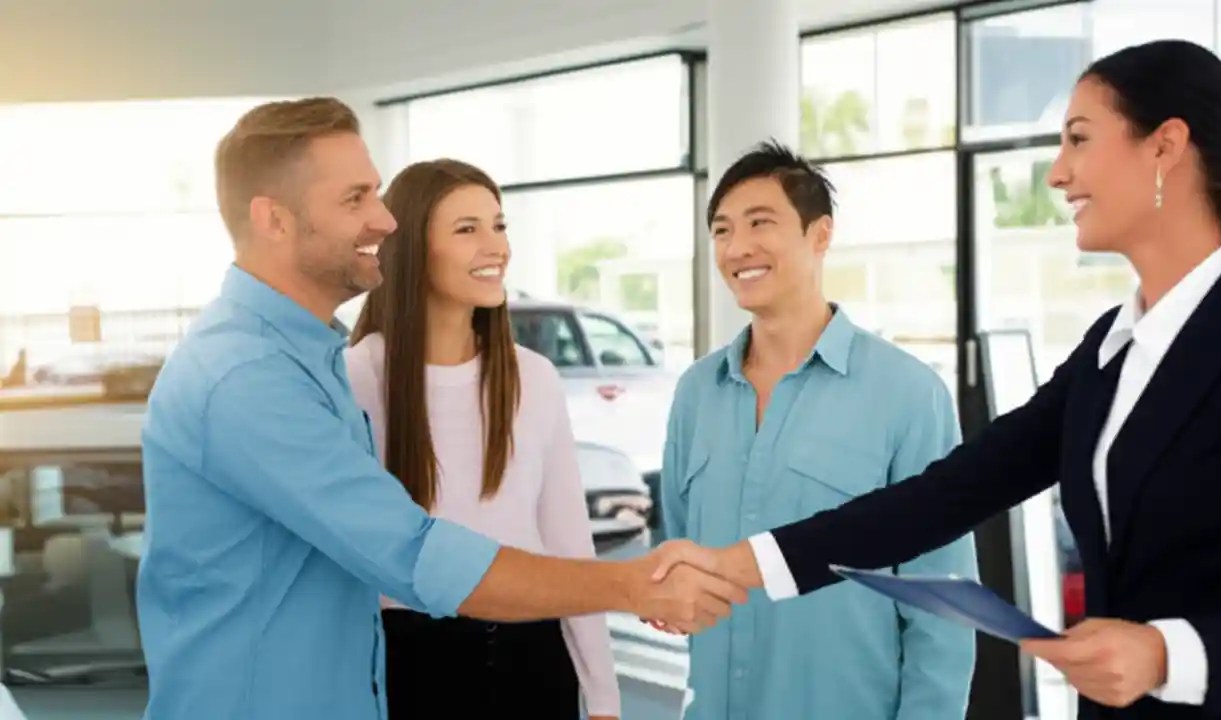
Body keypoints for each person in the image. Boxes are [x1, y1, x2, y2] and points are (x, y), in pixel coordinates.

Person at [652, 39, 1221, 720]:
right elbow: (944, 497)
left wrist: (1170, 654)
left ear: (1165, 146)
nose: (1058, 173)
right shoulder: (1113, 348)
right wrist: (742, 564)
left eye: (1079, 139)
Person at [135, 97, 747, 720]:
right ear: (274, 220)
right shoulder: (249, 379)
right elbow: (411, 553)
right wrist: (633, 584)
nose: (384, 220)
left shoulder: (307, 360)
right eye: (355, 199)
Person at [654, 141, 977, 719]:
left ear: (820, 235)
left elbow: (941, 606)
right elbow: (683, 561)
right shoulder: (696, 394)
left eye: (761, 223)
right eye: (722, 230)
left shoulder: (907, 394)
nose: (737, 247)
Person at [343, 159, 621, 719]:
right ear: (412, 249)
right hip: (409, 663)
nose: (496, 246)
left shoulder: (534, 377)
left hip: (534, 656)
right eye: (467, 229)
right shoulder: (357, 377)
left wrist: (604, 699)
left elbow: (569, 544)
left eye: (499, 225)